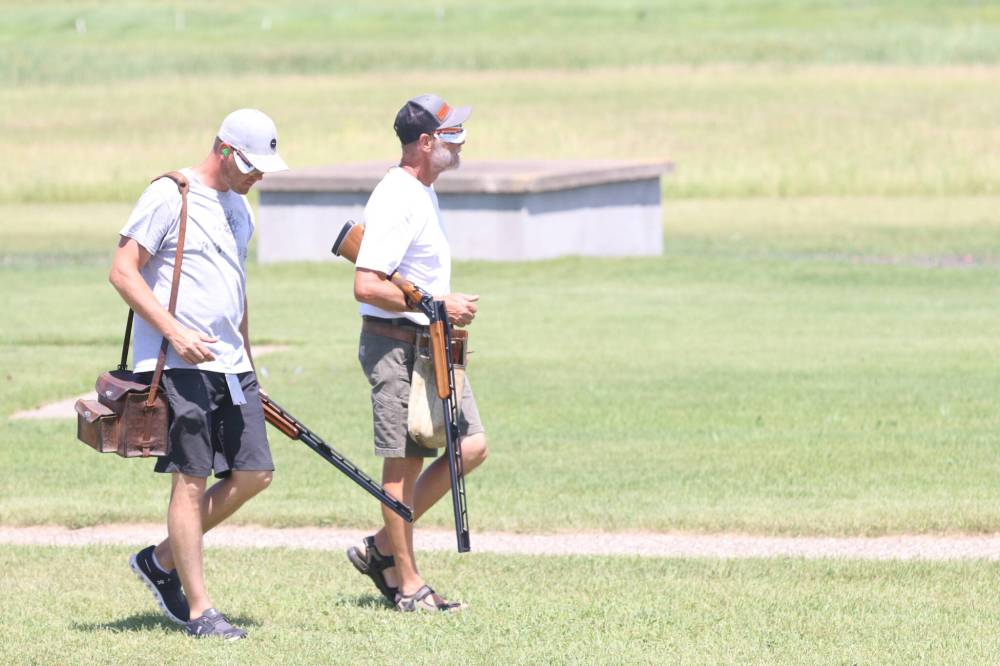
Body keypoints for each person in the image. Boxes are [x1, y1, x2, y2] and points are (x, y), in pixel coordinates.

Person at [109, 109, 288, 639]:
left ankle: (160, 560)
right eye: (253, 165)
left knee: (255, 472)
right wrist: (174, 330)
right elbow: (123, 270)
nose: (259, 176)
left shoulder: (241, 210)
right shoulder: (171, 195)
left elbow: (237, 293)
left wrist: (251, 363)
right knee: (191, 481)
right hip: (179, 364)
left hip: (232, 366)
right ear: (227, 151)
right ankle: (200, 610)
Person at [346, 94, 489, 612]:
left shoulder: (421, 191)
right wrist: (438, 304)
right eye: (452, 134)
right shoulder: (398, 197)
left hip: (428, 345)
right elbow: (366, 284)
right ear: (426, 142)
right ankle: (408, 585)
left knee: (470, 446)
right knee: (401, 467)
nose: (461, 141)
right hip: (395, 346)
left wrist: (436, 311)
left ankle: (381, 548)